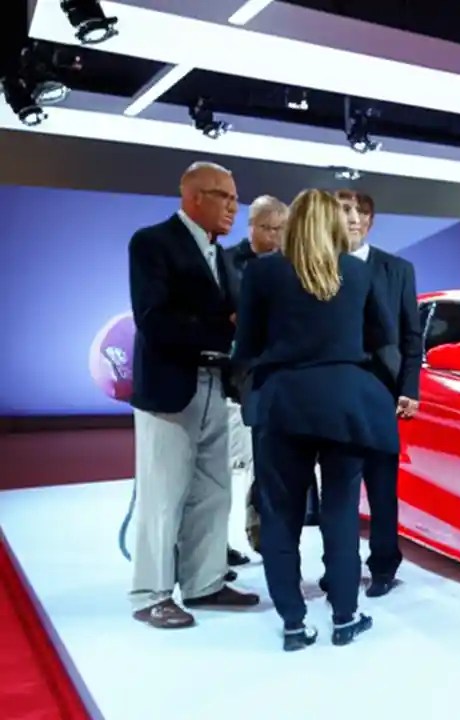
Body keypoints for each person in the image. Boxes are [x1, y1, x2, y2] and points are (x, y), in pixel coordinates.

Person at [232, 188, 399, 650]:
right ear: (332, 224)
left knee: (280, 515)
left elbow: (245, 345)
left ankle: (293, 624)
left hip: (283, 404)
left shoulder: (263, 272)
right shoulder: (357, 271)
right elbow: (383, 335)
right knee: (341, 512)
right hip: (345, 403)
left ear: (292, 223)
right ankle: (345, 617)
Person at [126, 161, 260, 629]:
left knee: (214, 491)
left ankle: (204, 583)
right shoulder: (151, 243)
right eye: (224, 196)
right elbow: (153, 318)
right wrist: (218, 330)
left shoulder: (221, 256)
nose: (233, 207)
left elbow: (230, 321)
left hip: (214, 383)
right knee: (163, 495)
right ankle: (151, 593)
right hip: (169, 386)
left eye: (235, 197)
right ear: (194, 197)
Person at [318, 189, 420, 599]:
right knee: (338, 492)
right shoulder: (318, 266)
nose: (354, 218)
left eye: (362, 212)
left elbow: (412, 335)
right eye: (346, 211)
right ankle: (338, 569)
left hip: (381, 393)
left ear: (371, 221)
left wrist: (409, 388)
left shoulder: (397, 269)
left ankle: (383, 566)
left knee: (382, 488)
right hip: (334, 394)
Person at [224, 194, 287, 555]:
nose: (274, 236)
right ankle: (213, 545)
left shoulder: (292, 264)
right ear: (251, 226)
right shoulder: (229, 262)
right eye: (267, 228)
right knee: (226, 471)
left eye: (280, 229)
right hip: (238, 380)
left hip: (278, 378)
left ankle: (261, 531)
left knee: (265, 465)